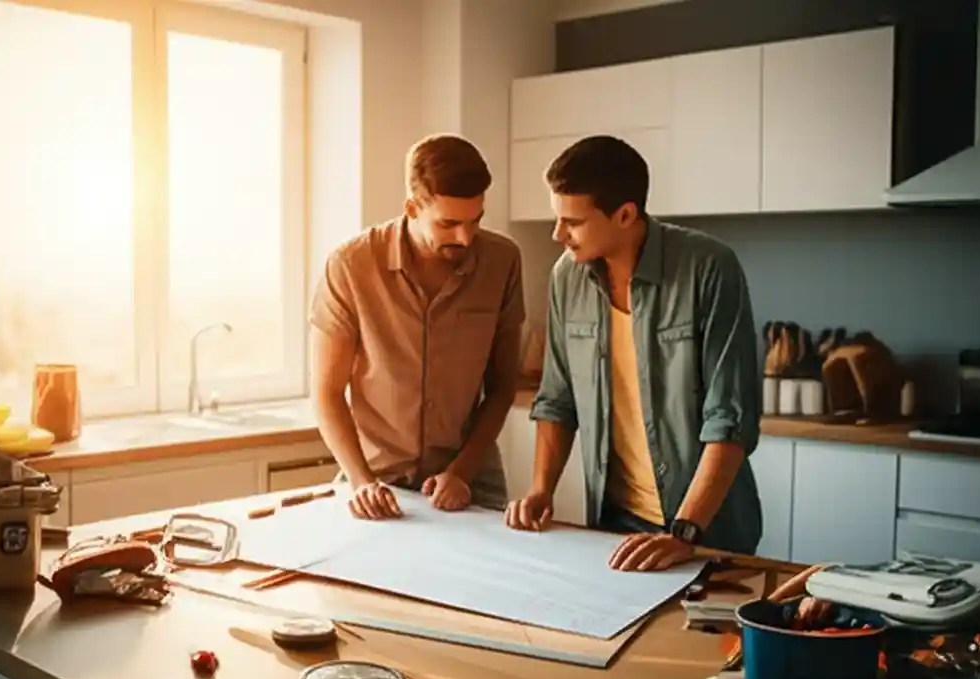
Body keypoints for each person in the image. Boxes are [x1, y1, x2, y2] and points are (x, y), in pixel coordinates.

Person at [504, 135, 762, 572]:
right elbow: (558, 399)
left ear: (625, 215)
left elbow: (730, 418)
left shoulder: (709, 268)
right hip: (614, 528)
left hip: (705, 532)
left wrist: (684, 532)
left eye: (573, 222)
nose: (557, 234)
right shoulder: (566, 277)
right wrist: (541, 490)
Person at [310, 134, 525, 520]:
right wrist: (361, 482)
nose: (465, 237)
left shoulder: (502, 261)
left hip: (471, 477)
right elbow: (327, 393)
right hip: (375, 478)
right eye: (449, 223)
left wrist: (462, 472)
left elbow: (502, 386)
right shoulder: (351, 265)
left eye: (475, 221)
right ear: (411, 208)